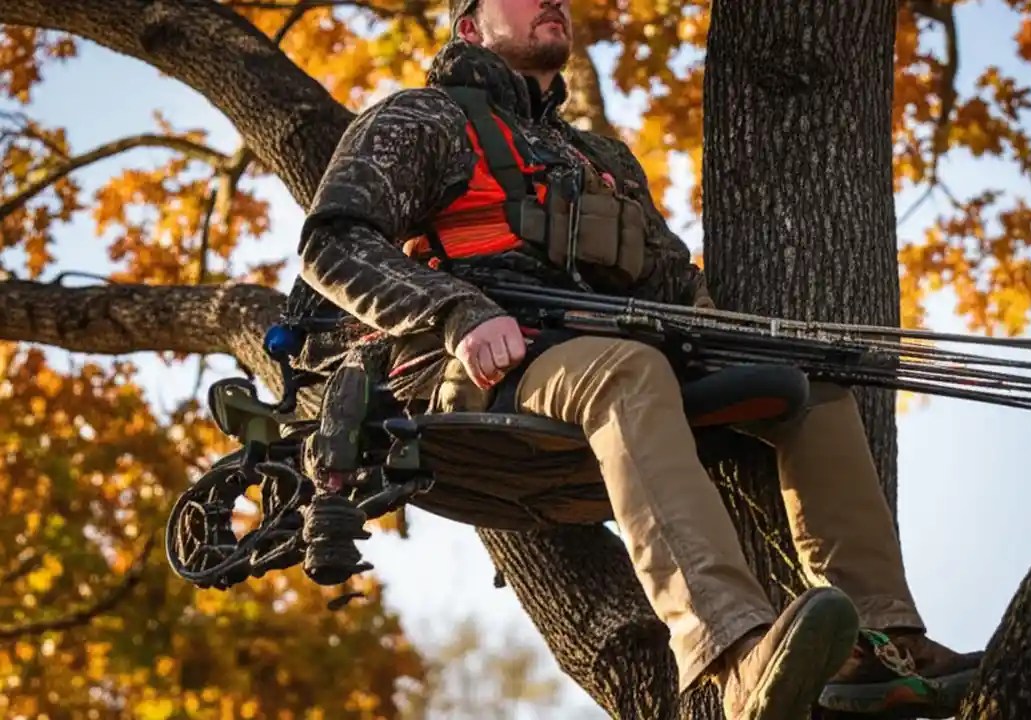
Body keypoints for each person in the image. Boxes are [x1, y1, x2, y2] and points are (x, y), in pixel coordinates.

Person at [291, 0, 982, 717]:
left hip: (607, 366)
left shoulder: (599, 158)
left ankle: (882, 645)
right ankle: (734, 655)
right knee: (629, 370)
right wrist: (457, 312)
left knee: (811, 385)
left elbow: (674, 285)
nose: (552, 2)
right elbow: (332, 242)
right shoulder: (423, 119)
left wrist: (741, 347)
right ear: (469, 27)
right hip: (471, 373)